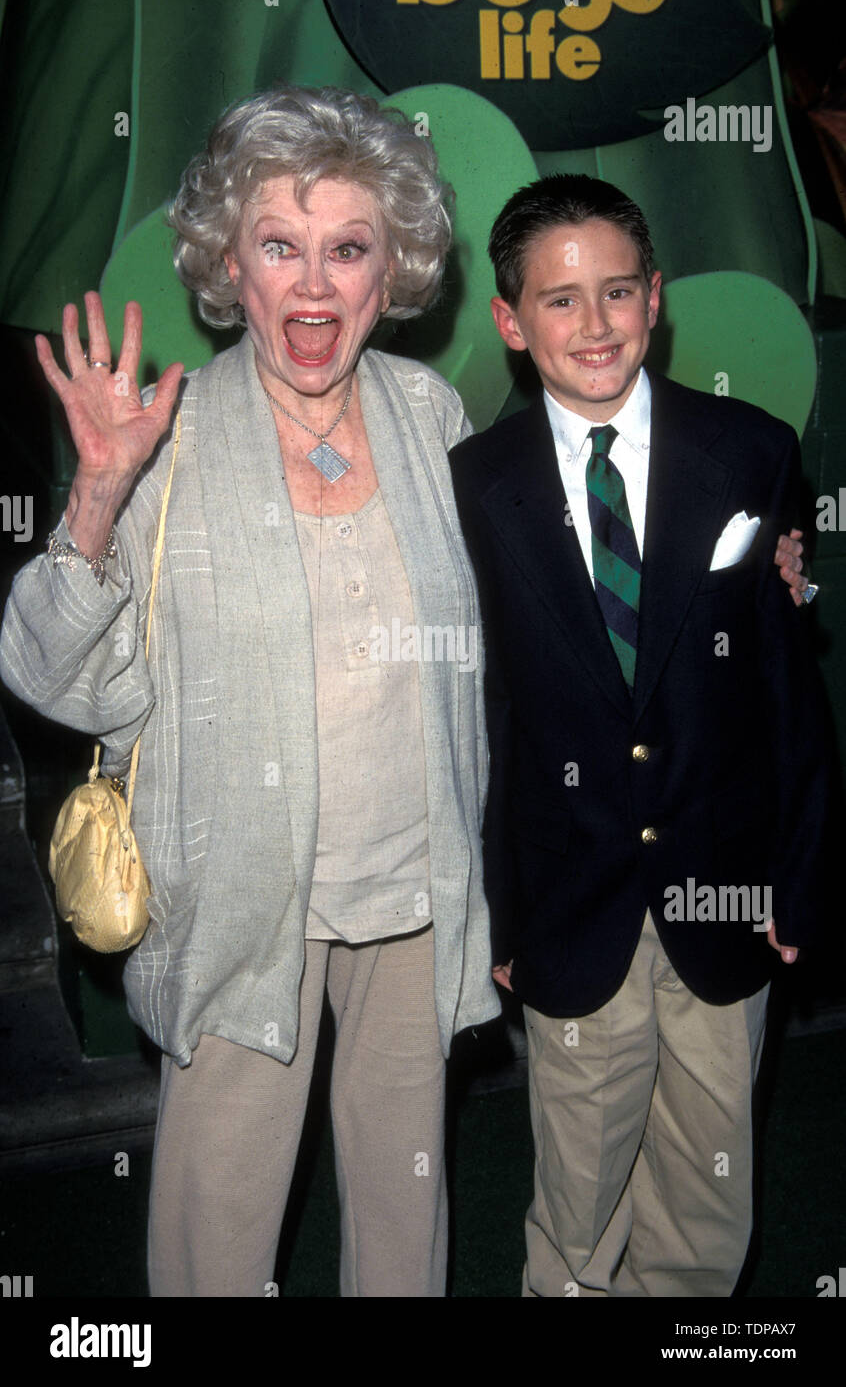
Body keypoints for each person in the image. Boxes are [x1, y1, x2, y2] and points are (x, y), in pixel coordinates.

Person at [0, 85, 499, 1298]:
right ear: (231, 262)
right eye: (280, 246)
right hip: (236, 899)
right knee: (214, 1242)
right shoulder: (169, 440)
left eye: (348, 248)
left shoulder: (432, 417)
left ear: (395, 272)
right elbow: (49, 674)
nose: (314, 284)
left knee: (404, 1212)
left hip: (411, 890)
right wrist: (97, 498)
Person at [448, 173, 833, 1297]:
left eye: (619, 291)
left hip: (728, 892)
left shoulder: (748, 452)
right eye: (560, 302)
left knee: (709, 1196)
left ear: (656, 298)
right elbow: (491, 724)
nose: (597, 324)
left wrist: (801, 881)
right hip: (574, 904)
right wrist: (501, 915)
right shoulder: (476, 486)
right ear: (511, 323)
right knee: (577, 1200)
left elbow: (784, 696)